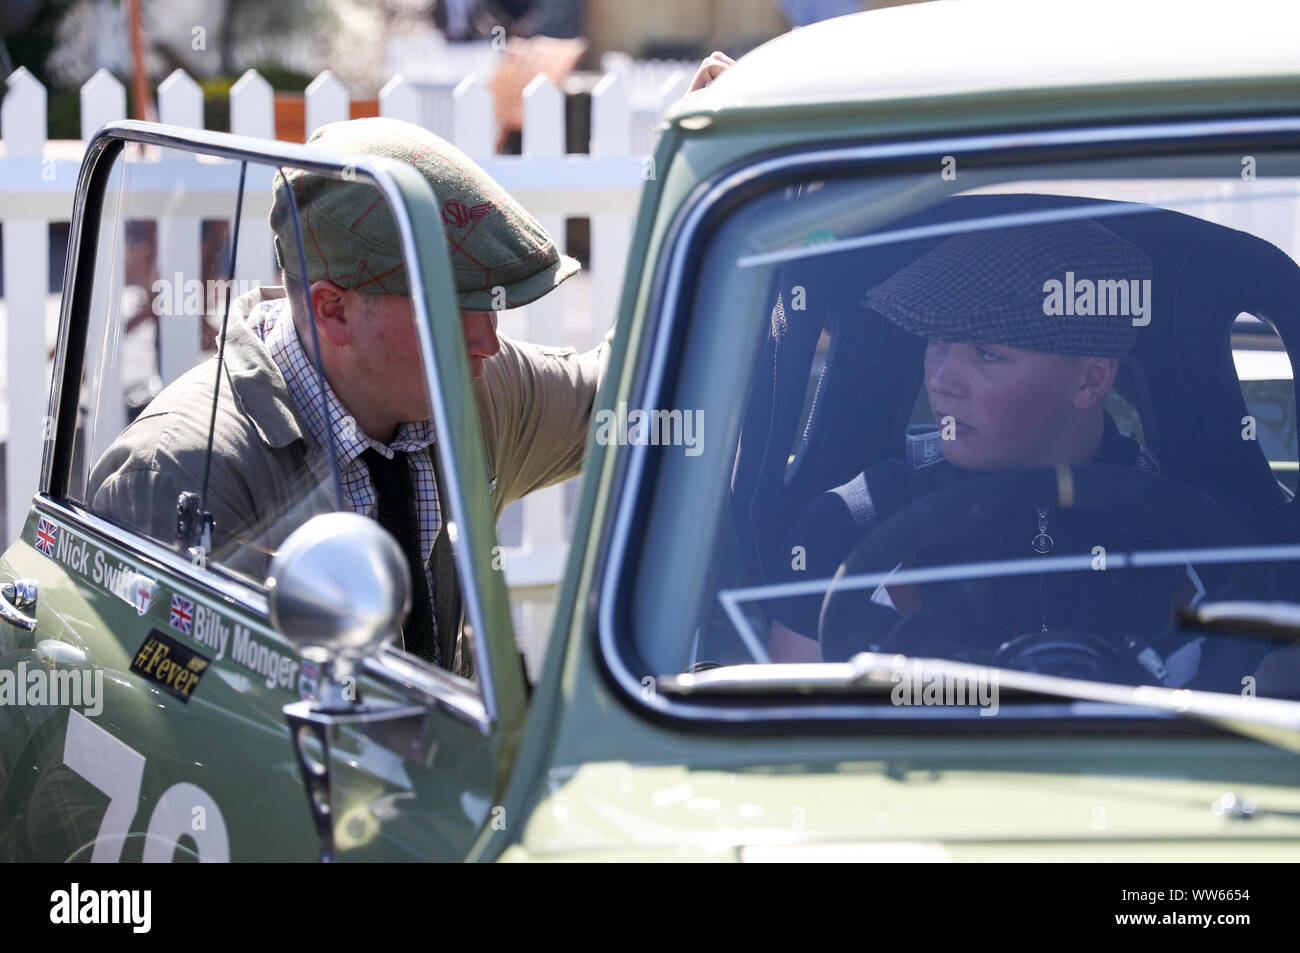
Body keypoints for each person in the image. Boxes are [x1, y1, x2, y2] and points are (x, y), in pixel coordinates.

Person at [768, 218, 1163, 662]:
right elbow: (789, 721)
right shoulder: (848, 527)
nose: (940, 380)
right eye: (937, 341)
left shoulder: (1189, 538)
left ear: (1090, 381)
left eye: (987, 353)